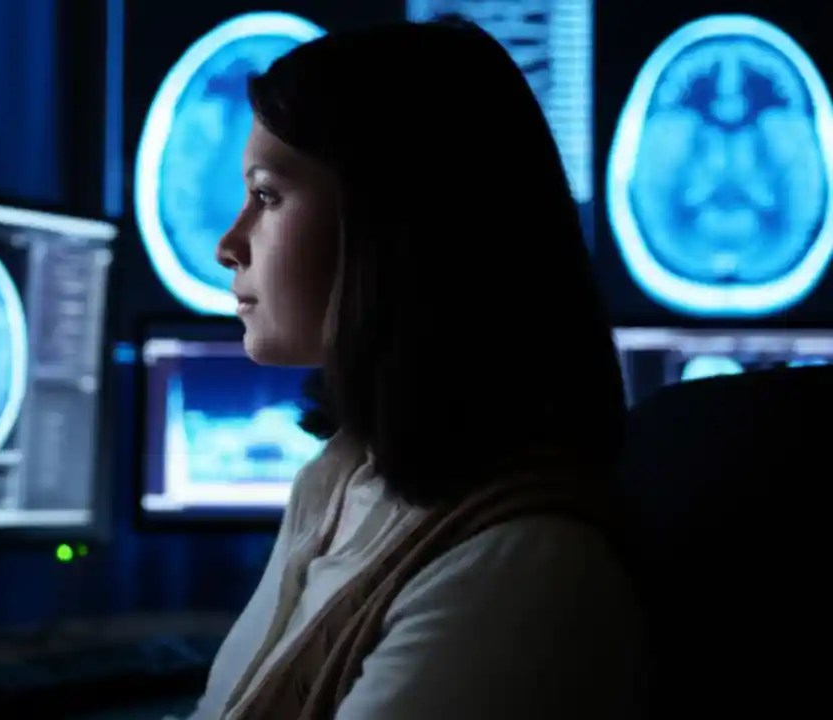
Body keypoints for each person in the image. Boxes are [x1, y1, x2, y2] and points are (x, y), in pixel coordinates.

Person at [188, 17, 646, 720]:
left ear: (390, 223)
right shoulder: (338, 481)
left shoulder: (517, 568)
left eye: (268, 196)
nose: (229, 244)